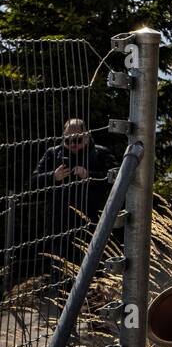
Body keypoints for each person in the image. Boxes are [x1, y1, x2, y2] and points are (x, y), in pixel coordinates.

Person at [32, 119, 113, 288]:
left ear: (87, 136)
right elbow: (33, 182)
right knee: (61, 279)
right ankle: (65, 313)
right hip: (59, 227)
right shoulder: (53, 154)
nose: (73, 144)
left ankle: (93, 313)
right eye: (68, 140)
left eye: (77, 140)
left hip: (92, 226)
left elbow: (116, 179)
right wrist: (53, 177)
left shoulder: (100, 153)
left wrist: (90, 175)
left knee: (94, 278)